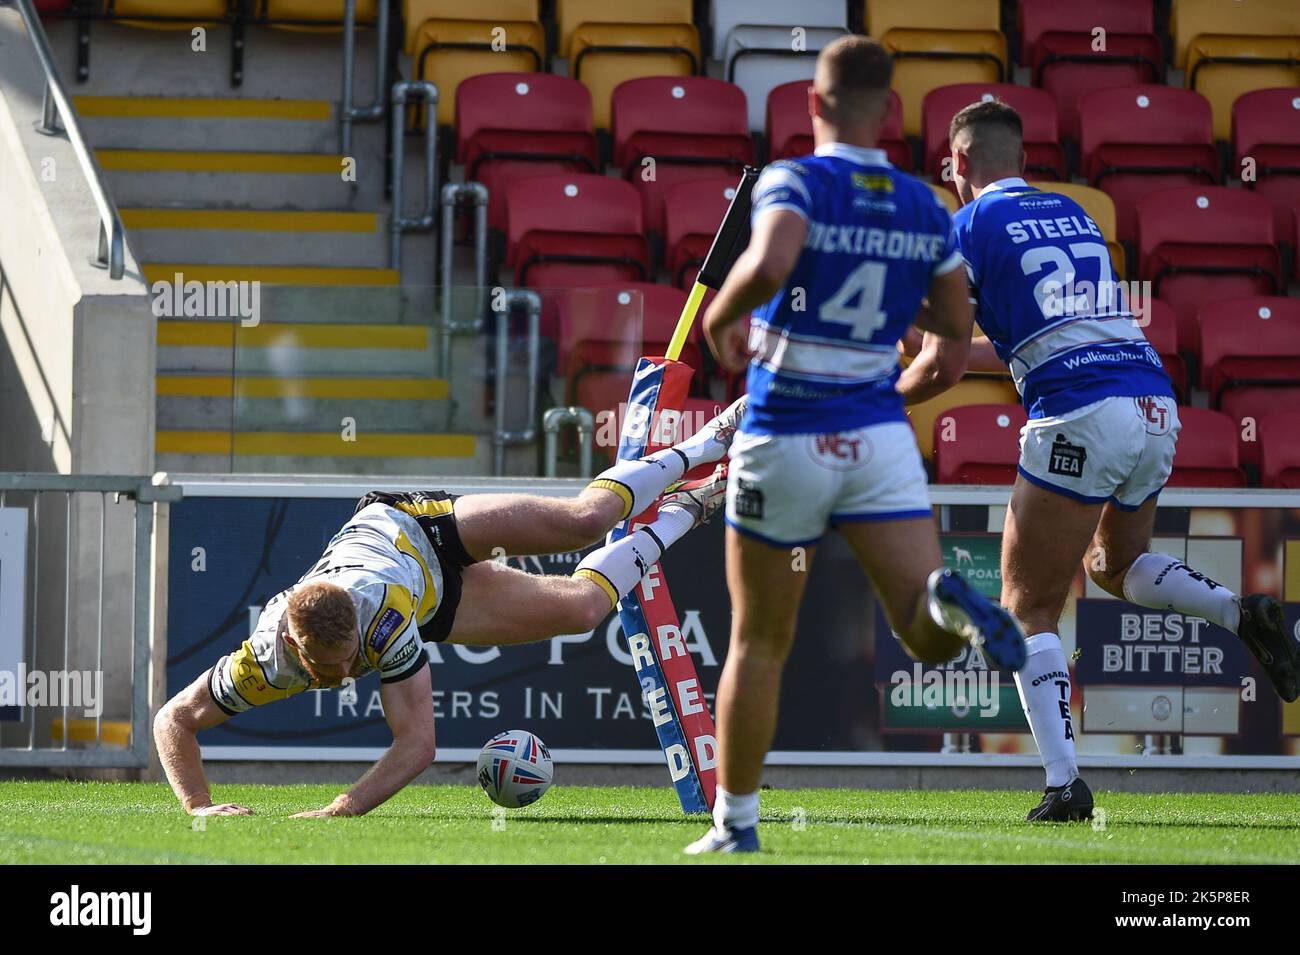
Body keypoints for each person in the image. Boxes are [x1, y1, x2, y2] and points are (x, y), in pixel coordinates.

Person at [898, 98, 1300, 822]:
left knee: (1027, 606)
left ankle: (1063, 783)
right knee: (1112, 565)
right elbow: (1035, 336)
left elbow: (941, 365)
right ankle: (1244, 615)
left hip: (1081, 410)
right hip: (1152, 401)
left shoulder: (966, 225)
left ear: (958, 164)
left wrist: (884, 391)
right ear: (1018, 158)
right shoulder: (1073, 214)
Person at [687, 36, 1027, 855]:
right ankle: (950, 594)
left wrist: (721, 316)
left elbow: (769, 260)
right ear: (893, 113)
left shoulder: (795, 178)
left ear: (814, 105)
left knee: (759, 639)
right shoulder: (921, 204)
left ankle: (735, 826)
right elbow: (952, 327)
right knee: (921, 630)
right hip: (878, 433)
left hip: (787, 429)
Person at [154, 398, 745, 817]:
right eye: (328, 669)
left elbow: (418, 745)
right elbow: (172, 720)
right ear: (296, 649)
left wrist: (342, 808)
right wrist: (200, 808)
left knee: (584, 521)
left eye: (349, 658)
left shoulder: (380, 621)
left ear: (360, 633)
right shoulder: (264, 660)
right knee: (584, 610)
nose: (340, 676)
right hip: (436, 604)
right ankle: (693, 505)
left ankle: (711, 438)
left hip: (417, 531)